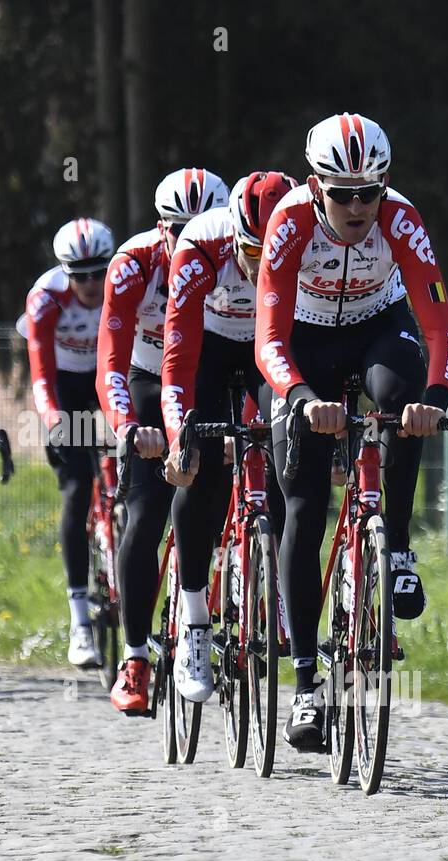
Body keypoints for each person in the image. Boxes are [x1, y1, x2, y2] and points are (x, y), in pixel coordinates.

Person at [255, 113, 448, 751]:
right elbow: (267, 338)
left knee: (400, 400)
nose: (355, 206)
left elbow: (441, 330)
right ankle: (308, 684)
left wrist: (437, 398)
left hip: (379, 324)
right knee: (304, 507)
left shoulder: (402, 219)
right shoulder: (287, 222)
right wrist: (299, 397)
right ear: (316, 187)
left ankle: (395, 545)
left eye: (367, 191)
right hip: (306, 343)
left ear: (384, 186)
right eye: (340, 192)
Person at [159, 171, 297, 703]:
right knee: (204, 471)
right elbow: (176, 362)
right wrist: (179, 438)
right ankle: (195, 623)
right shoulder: (200, 246)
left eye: (271, 254)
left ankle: (278, 584)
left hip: (272, 345)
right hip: (210, 348)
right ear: (233, 235)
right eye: (250, 252)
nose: (261, 266)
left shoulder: (305, 236)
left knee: (291, 446)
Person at [97, 169, 230, 713]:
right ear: (160, 228)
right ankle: (133, 657)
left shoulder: (232, 257)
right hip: (149, 380)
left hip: (211, 377)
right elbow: (110, 358)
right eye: (178, 230)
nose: (187, 242)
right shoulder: (133, 264)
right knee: (146, 513)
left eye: (200, 228)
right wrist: (129, 426)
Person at [23, 217, 116, 668]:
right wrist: (56, 421)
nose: (92, 283)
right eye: (81, 276)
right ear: (65, 273)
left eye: (100, 272)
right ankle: (80, 621)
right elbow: (40, 375)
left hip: (112, 382)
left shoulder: (125, 283)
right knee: (78, 488)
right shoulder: (46, 297)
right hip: (66, 390)